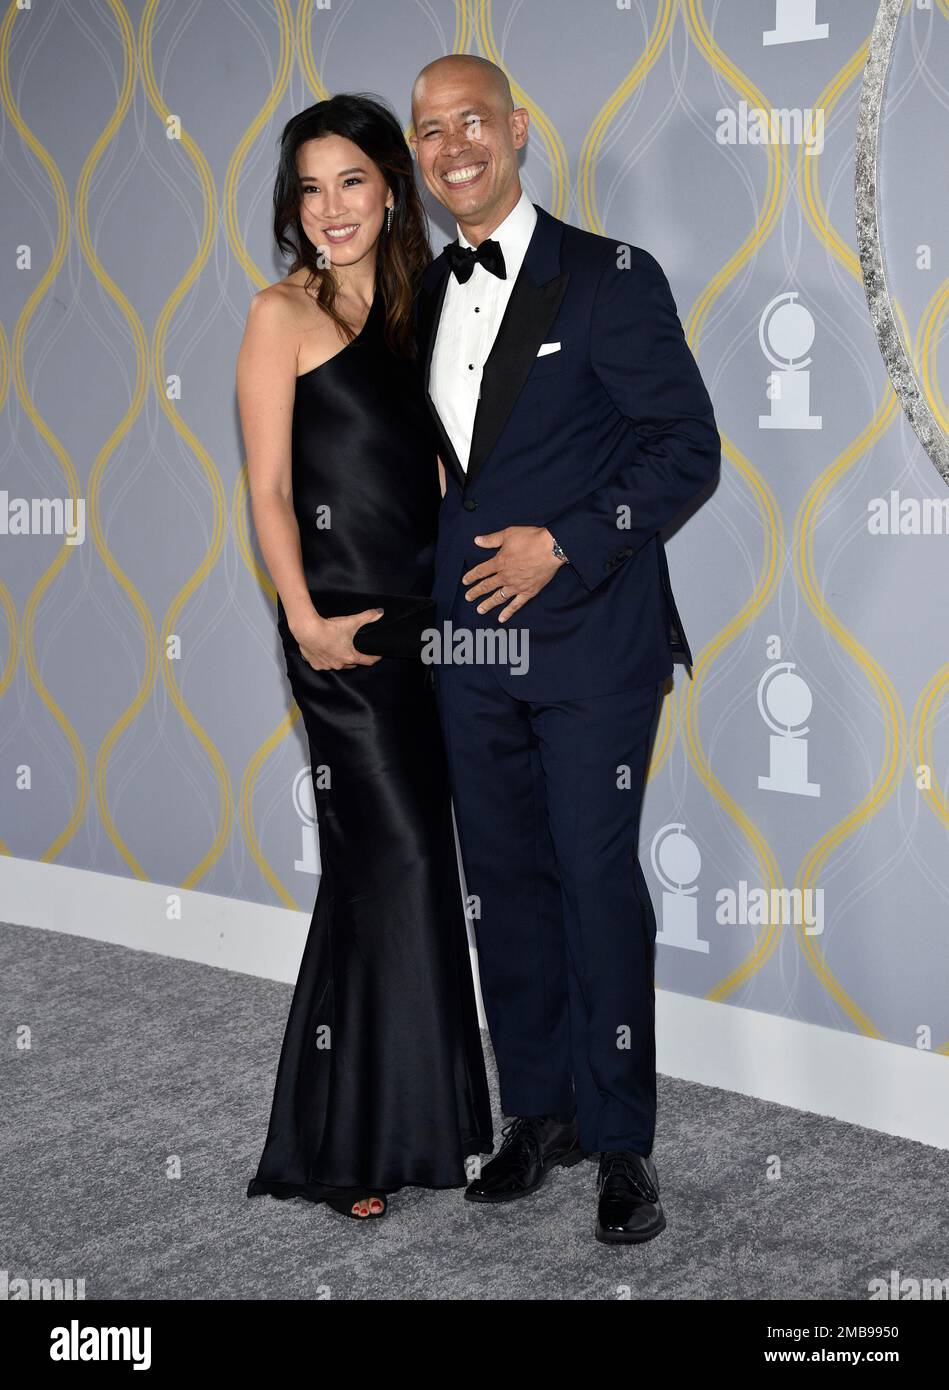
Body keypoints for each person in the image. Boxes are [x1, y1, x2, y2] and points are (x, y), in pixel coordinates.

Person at [410, 55, 721, 1244]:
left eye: (471, 122)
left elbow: (685, 447)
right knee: (504, 886)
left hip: (592, 638)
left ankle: (623, 1140)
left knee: (595, 883)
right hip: (464, 649)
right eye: (430, 132)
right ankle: (536, 1111)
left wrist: (572, 541)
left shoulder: (608, 277)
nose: (452, 148)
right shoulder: (416, 296)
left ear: (518, 131)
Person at [237, 93, 492, 1222]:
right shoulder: (277, 314)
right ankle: (347, 1144)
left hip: (424, 627)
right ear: (292, 206)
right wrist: (301, 620)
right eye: (309, 186)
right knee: (389, 860)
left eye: (350, 182)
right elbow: (270, 490)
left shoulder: (413, 311)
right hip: (338, 630)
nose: (330, 207)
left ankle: (400, 1124)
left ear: (389, 188)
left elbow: (435, 475)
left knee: (406, 868)